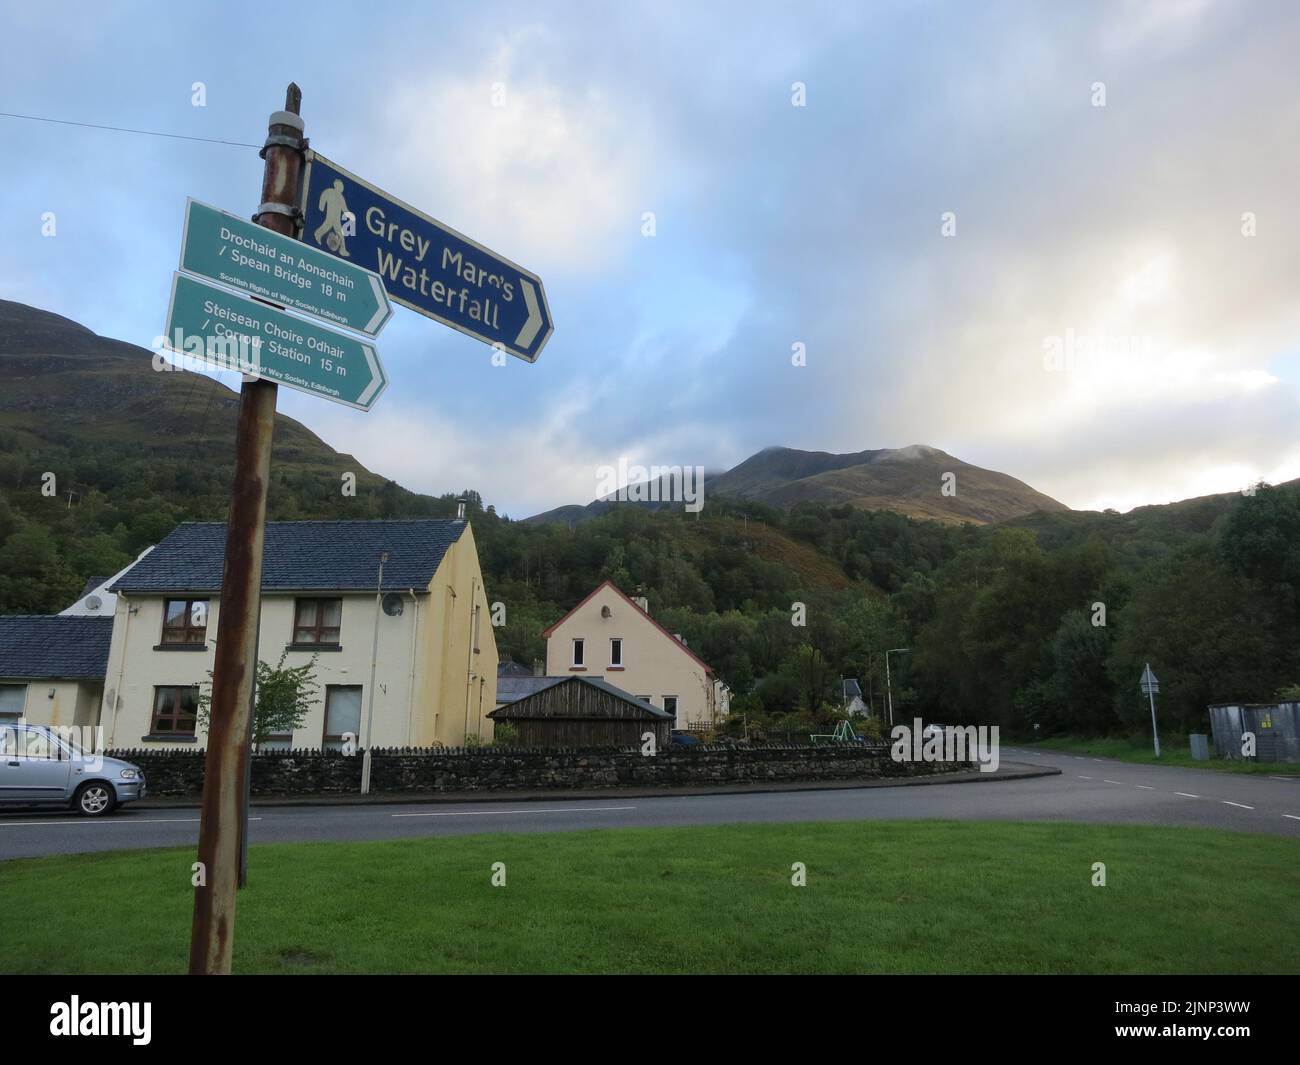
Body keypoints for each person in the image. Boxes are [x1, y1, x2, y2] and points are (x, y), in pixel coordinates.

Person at [313, 179, 351, 257]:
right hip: (330, 216)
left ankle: (342, 249)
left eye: (342, 186)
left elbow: (344, 208)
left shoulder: (341, 197)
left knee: (340, 233)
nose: (341, 188)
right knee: (326, 227)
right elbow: (323, 198)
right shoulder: (329, 191)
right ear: (336, 185)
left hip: (337, 219)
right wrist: (321, 206)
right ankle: (317, 234)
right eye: (340, 186)